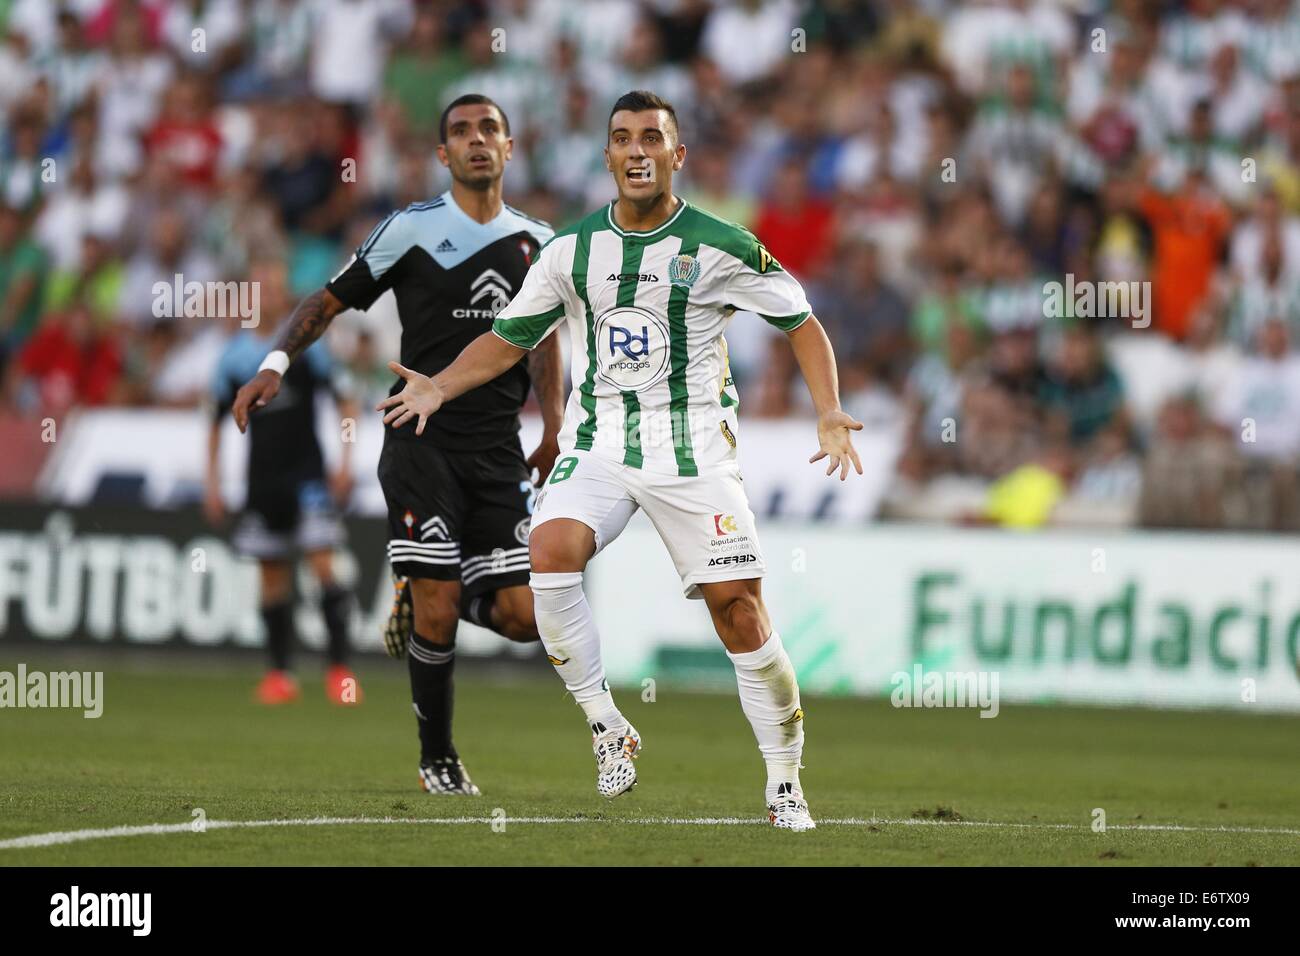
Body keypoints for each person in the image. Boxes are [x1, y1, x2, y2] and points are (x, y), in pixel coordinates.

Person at [377, 91, 863, 830]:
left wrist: (828, 409)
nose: (637, 150)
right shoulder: (568, 252)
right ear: (606, 156)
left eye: (652, 139)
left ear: (677, 155)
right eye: (622, 139)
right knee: (549, 553)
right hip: (600, 442)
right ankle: (608, 726)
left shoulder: (719, 243)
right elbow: (509, 338)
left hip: (693, 450)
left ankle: (785, 783)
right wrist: (440, 386)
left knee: (741, 613)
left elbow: (801, 322)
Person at [229, 95, 564, 796]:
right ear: (442, 155)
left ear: (510, 147)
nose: (477, 141)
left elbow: (544, 340)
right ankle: (437, 757)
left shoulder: (541, 242)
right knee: (437, 602)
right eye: (462, 133)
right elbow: (325, 301)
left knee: (526, 619)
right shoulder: (409, 230)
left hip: (498, 451)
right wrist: (273, 366)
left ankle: (434, 593)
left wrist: (555, 427)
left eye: (490, 130)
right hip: (420, 441)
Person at [209, 260, 360, 705]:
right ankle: (280, 674)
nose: (266, 298)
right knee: (272, 578)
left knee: (323, 567)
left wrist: (346, 460)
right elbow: (213, 422)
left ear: (284, 296)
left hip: (308, 474)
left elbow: (346, 399)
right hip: (262, 479)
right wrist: (213, 482)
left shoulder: (308, 348)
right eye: (258, 290)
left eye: (273, 289)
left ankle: (340, 672)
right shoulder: (233, 357)